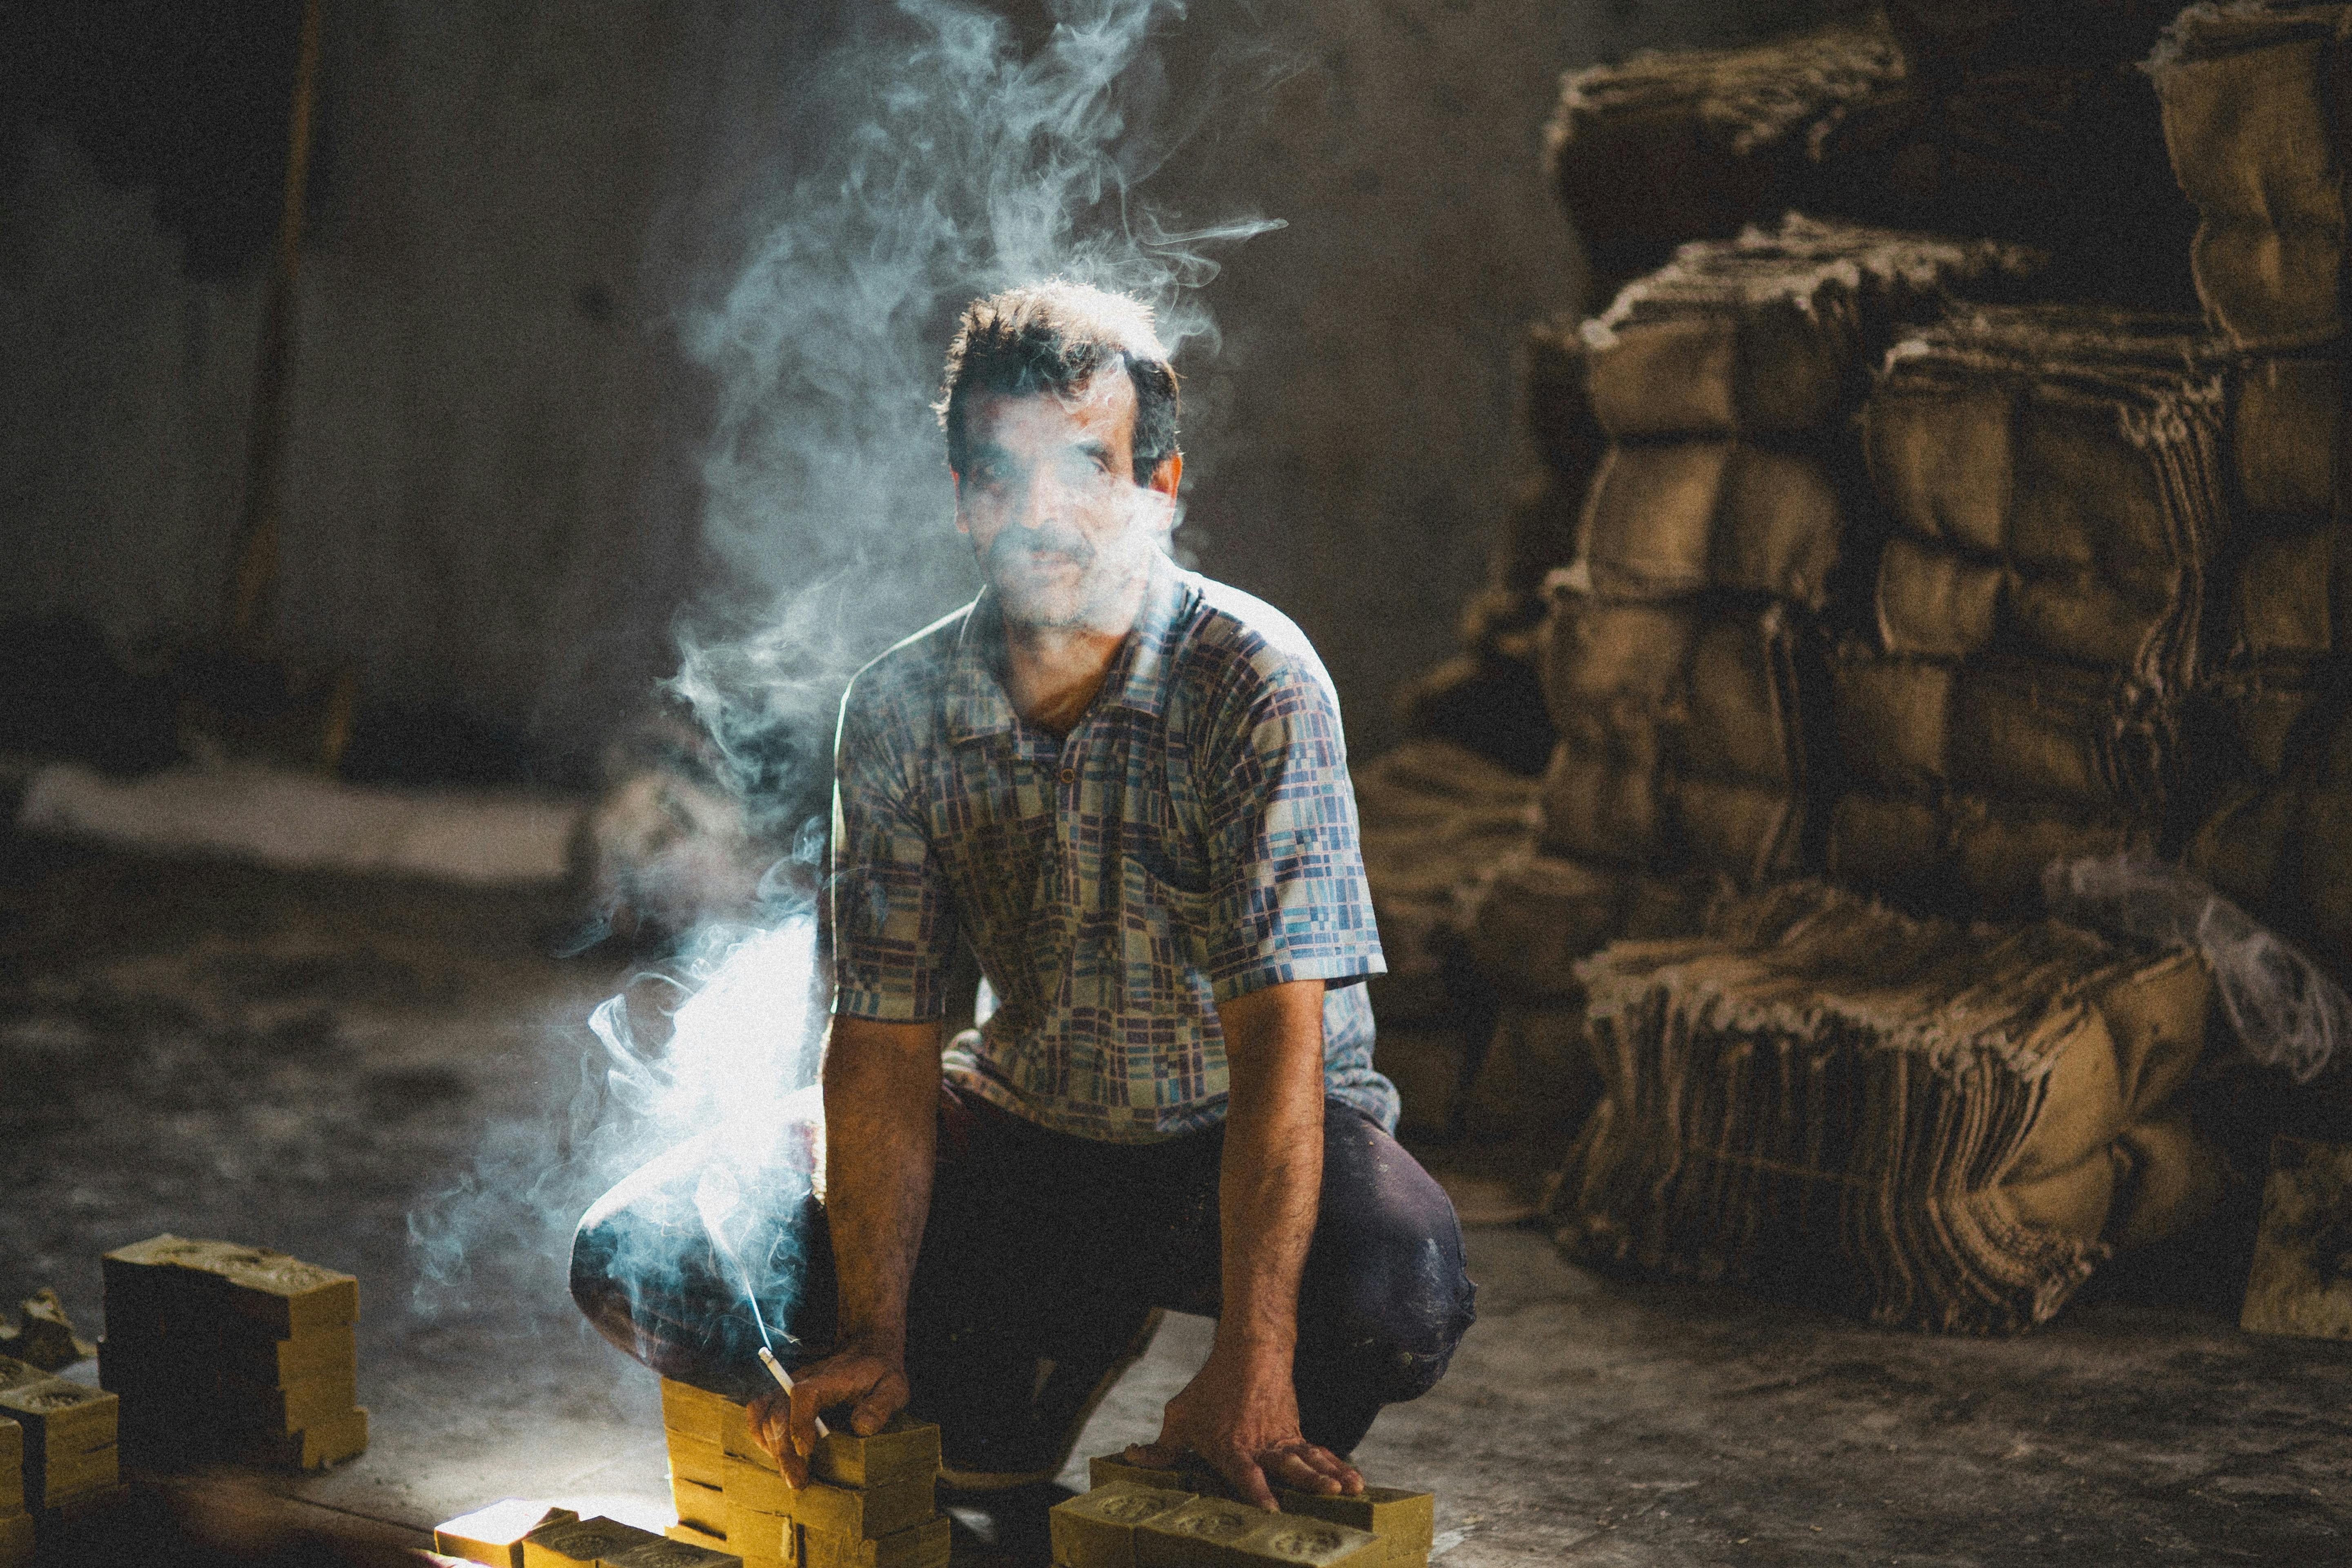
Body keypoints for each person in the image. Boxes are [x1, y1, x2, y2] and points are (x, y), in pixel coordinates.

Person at [570, 280, 1474, 1512]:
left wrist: (1255, 1356)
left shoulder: (1256, 684)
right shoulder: (899, 713)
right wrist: (873, 1331)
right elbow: (885, 1042)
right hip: (1021, 1130)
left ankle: (1243, 1432)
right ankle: (1021, 1362)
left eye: (1088, 467)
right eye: (1001, 473)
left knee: (1397, 1290)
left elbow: (1280, 1046)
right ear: (961, 498)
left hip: (1226, 1140)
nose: (1041, 512)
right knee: (638, 1259)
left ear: (1161, 489)